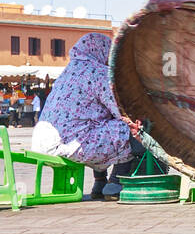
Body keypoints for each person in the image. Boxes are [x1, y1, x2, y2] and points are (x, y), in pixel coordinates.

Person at [31, 33, 143, 200]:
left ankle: (99, 182)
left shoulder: (67, 72)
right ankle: (115, 183)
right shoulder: (99, 72)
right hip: (67, 144)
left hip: (41, 142)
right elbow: (121, 109)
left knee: (97, 128)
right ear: (103, 51)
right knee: (126, 129)